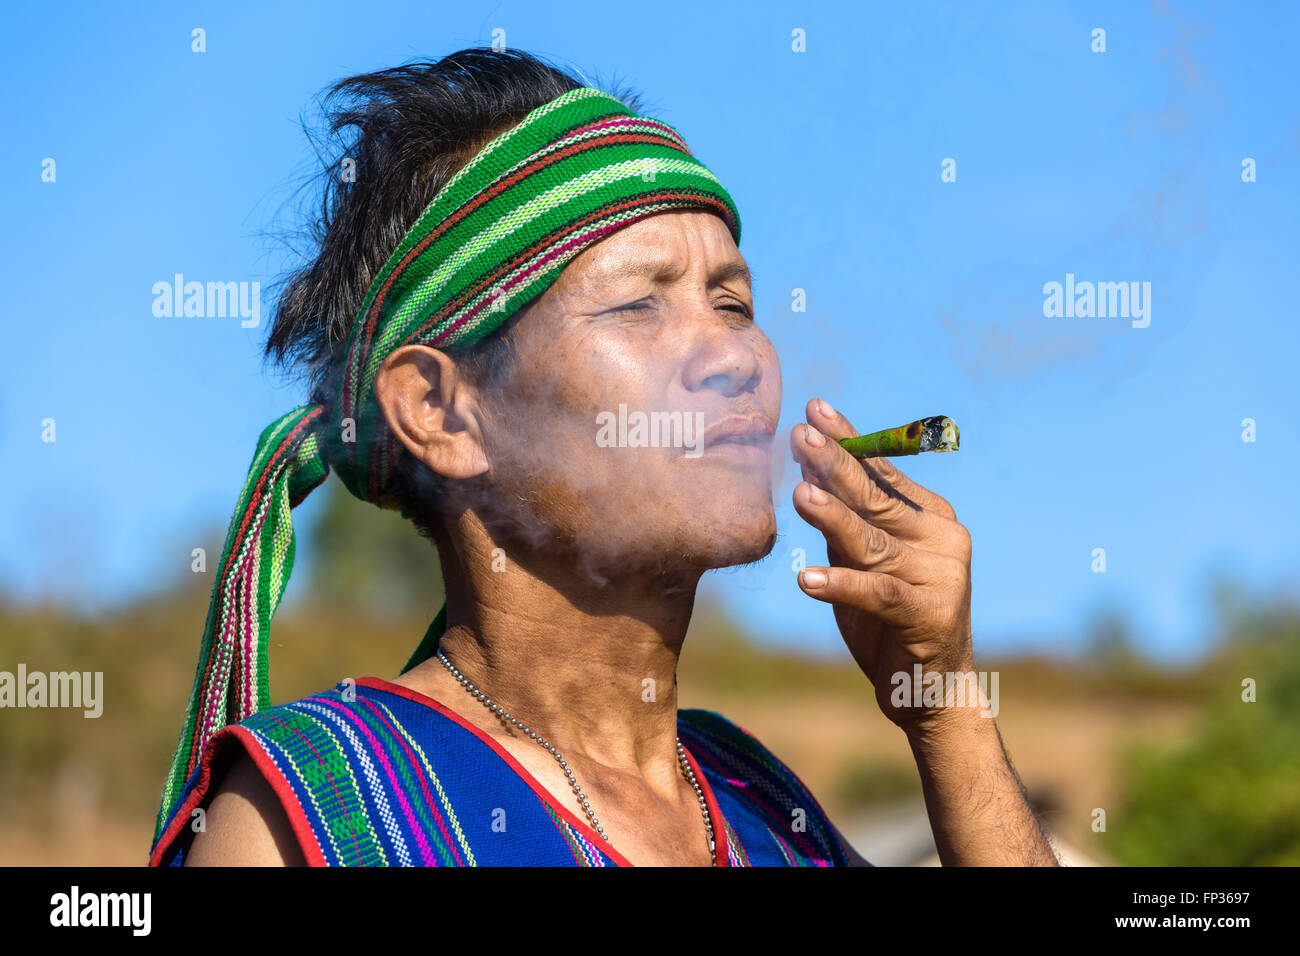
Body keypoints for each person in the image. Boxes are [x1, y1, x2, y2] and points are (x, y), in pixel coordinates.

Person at [149, 47, 1059, 867]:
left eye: (734, 304)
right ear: (440, 412)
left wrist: (946, 711)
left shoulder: (764, 811)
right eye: (639, 306)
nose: (735, 357)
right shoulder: (322, 818)